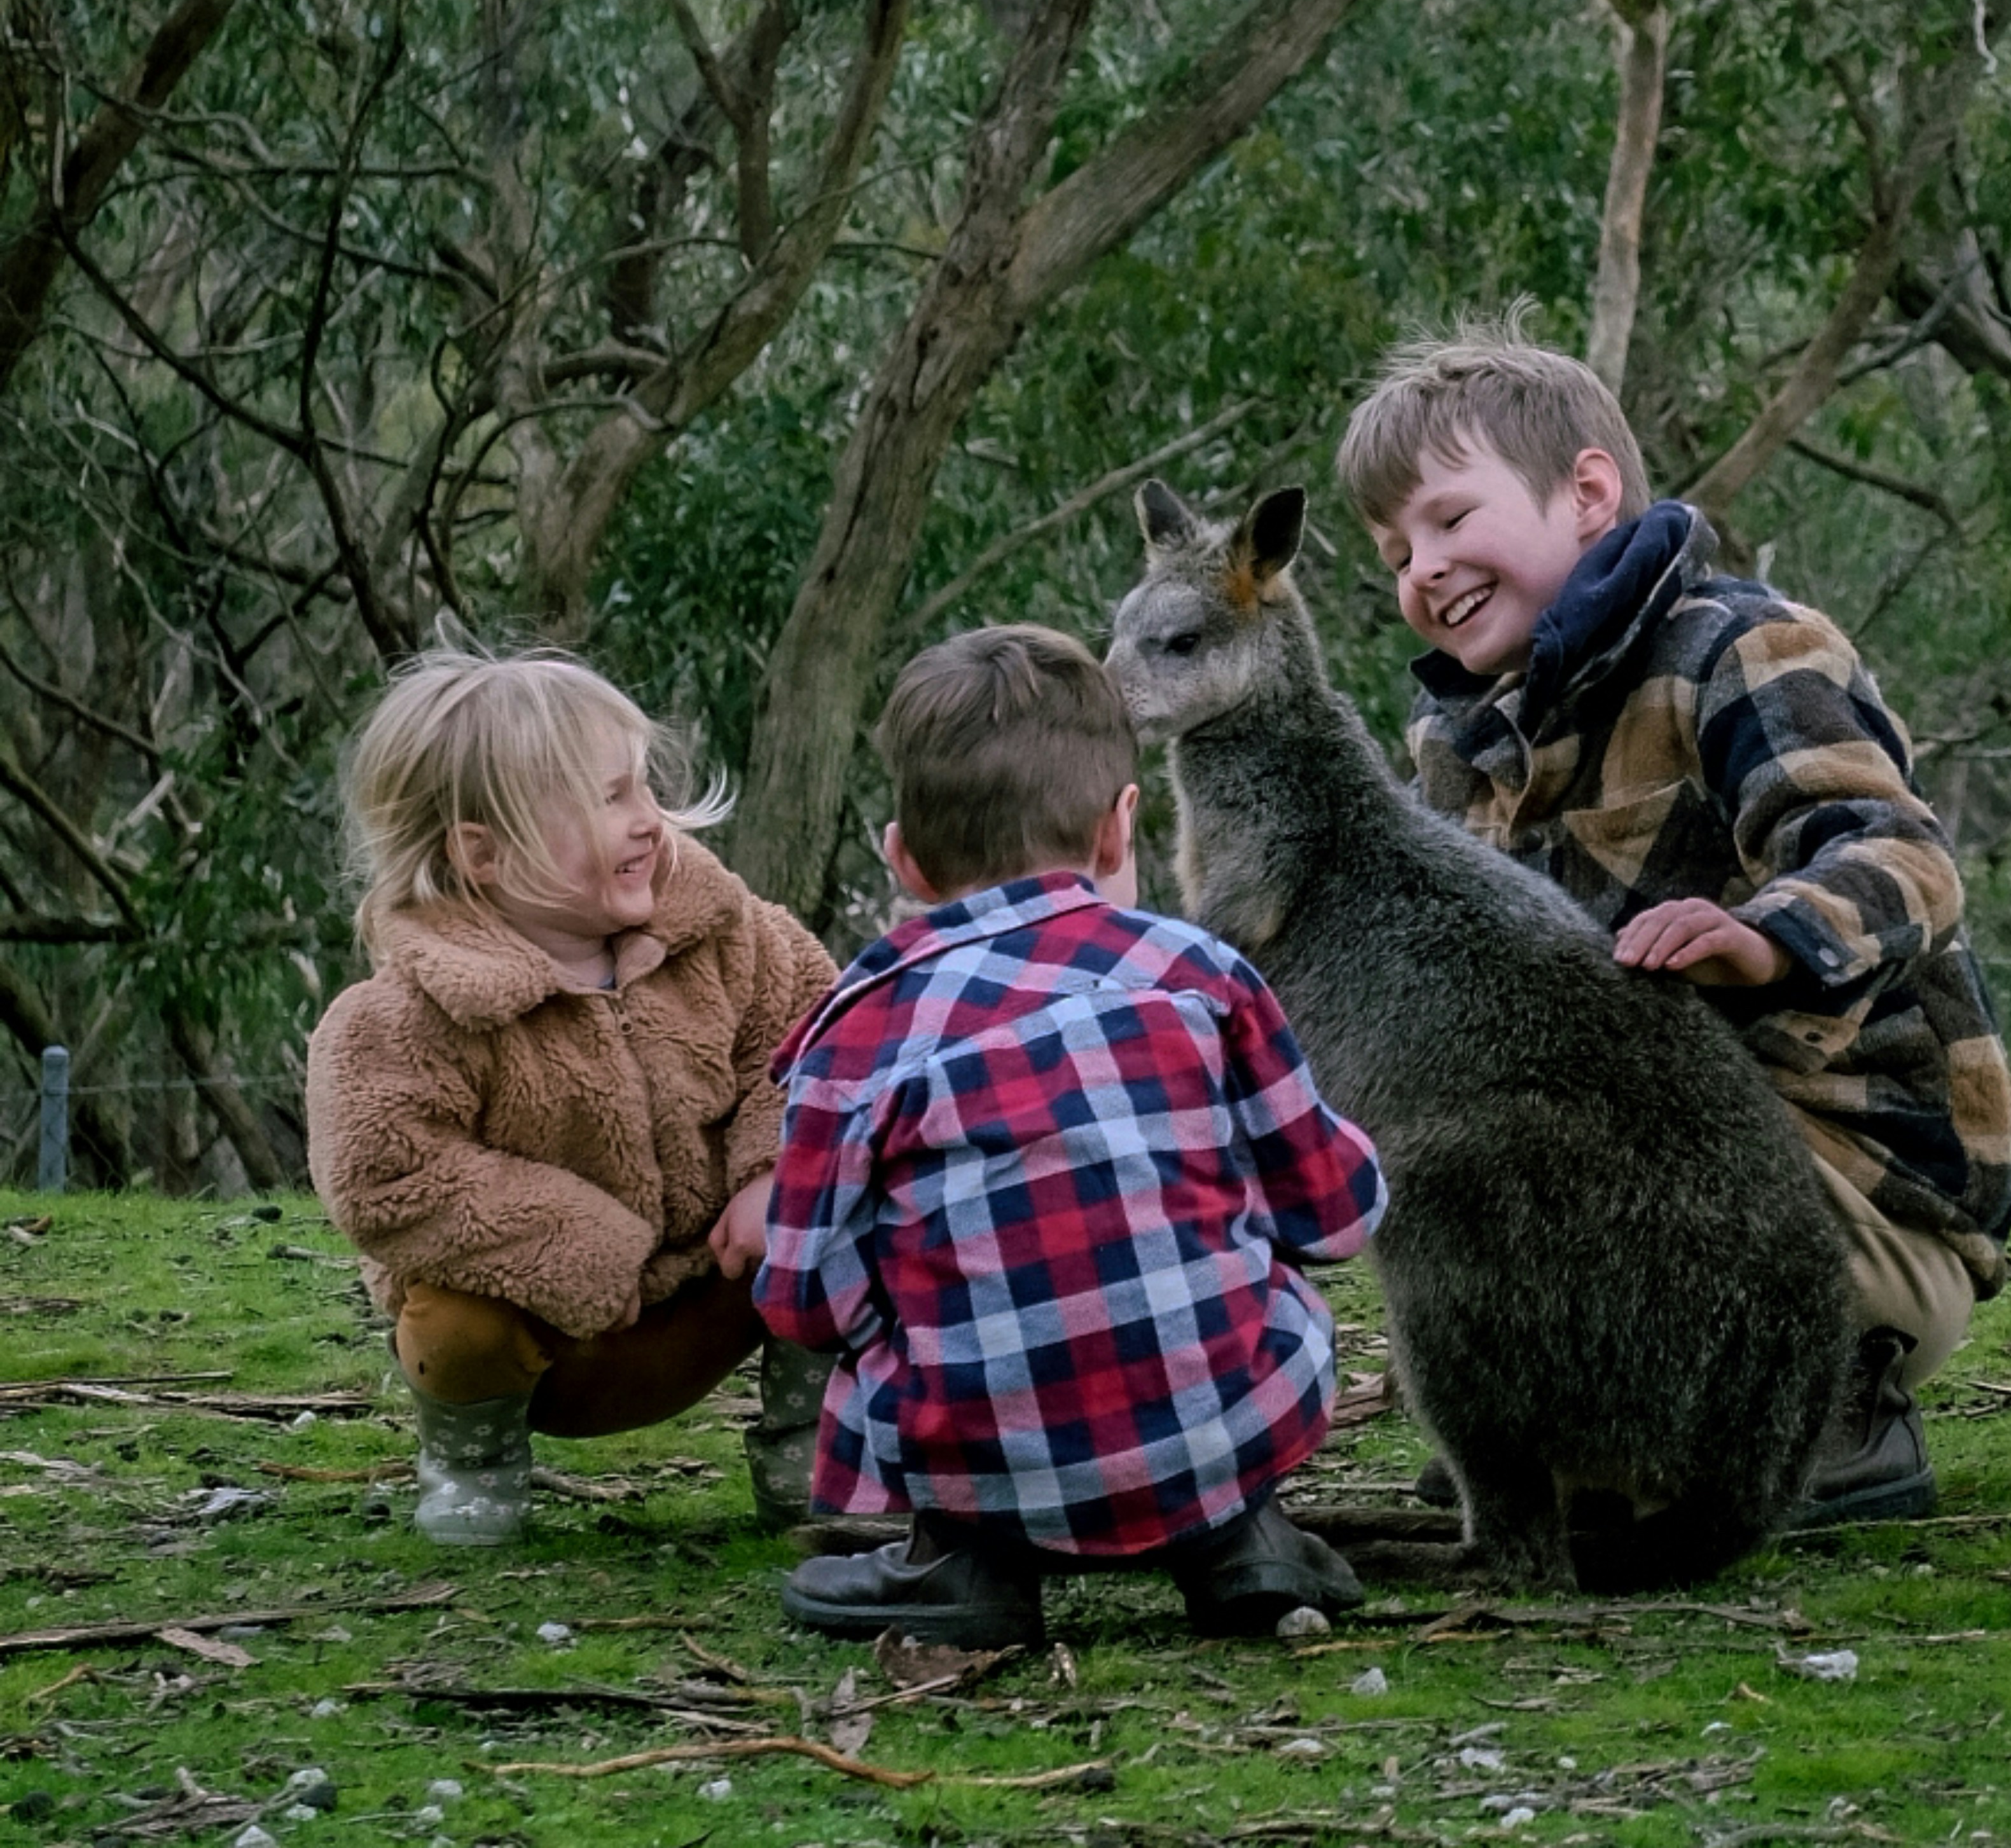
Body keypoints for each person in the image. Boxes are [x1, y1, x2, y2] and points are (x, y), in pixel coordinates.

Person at [1337, 318, 2011, 1525]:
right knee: (1453, 1196)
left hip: (1845, 1196)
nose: (1421, 569)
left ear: (1588, 492)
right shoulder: (1459, 750)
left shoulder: (1740, 648)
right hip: (1650, 1183)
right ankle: (1599, 1441)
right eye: (1394, 551)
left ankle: (1833, 1406)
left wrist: (1768, 937)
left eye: (1449, 518)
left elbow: (1900, 857)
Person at [755, 622, 1386, 1647]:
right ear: (1118, 828)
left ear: (904, 861)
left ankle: (961, 1562)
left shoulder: (856, 1030)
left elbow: (800, 1297)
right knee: (1245, 1266)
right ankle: (1239, 1533)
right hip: (1217, 1422)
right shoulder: (1200, 974)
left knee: (911, 1317)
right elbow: (1335, 1213)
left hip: (973, 1449)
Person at [306, 643, 838, 1546]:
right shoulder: (406, 1015)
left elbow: (812, 1039)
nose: (649, 821)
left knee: (840, 1212)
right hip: (549, 1344)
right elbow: (385, 1173)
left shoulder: (730, 938)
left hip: (722, 1283)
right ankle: (473, 1461)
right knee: (456, 1319)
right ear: (483, 853)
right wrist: (577, 1251)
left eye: (641, 787)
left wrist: (774, 1172)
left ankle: (814, 1450)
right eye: (609, 799)